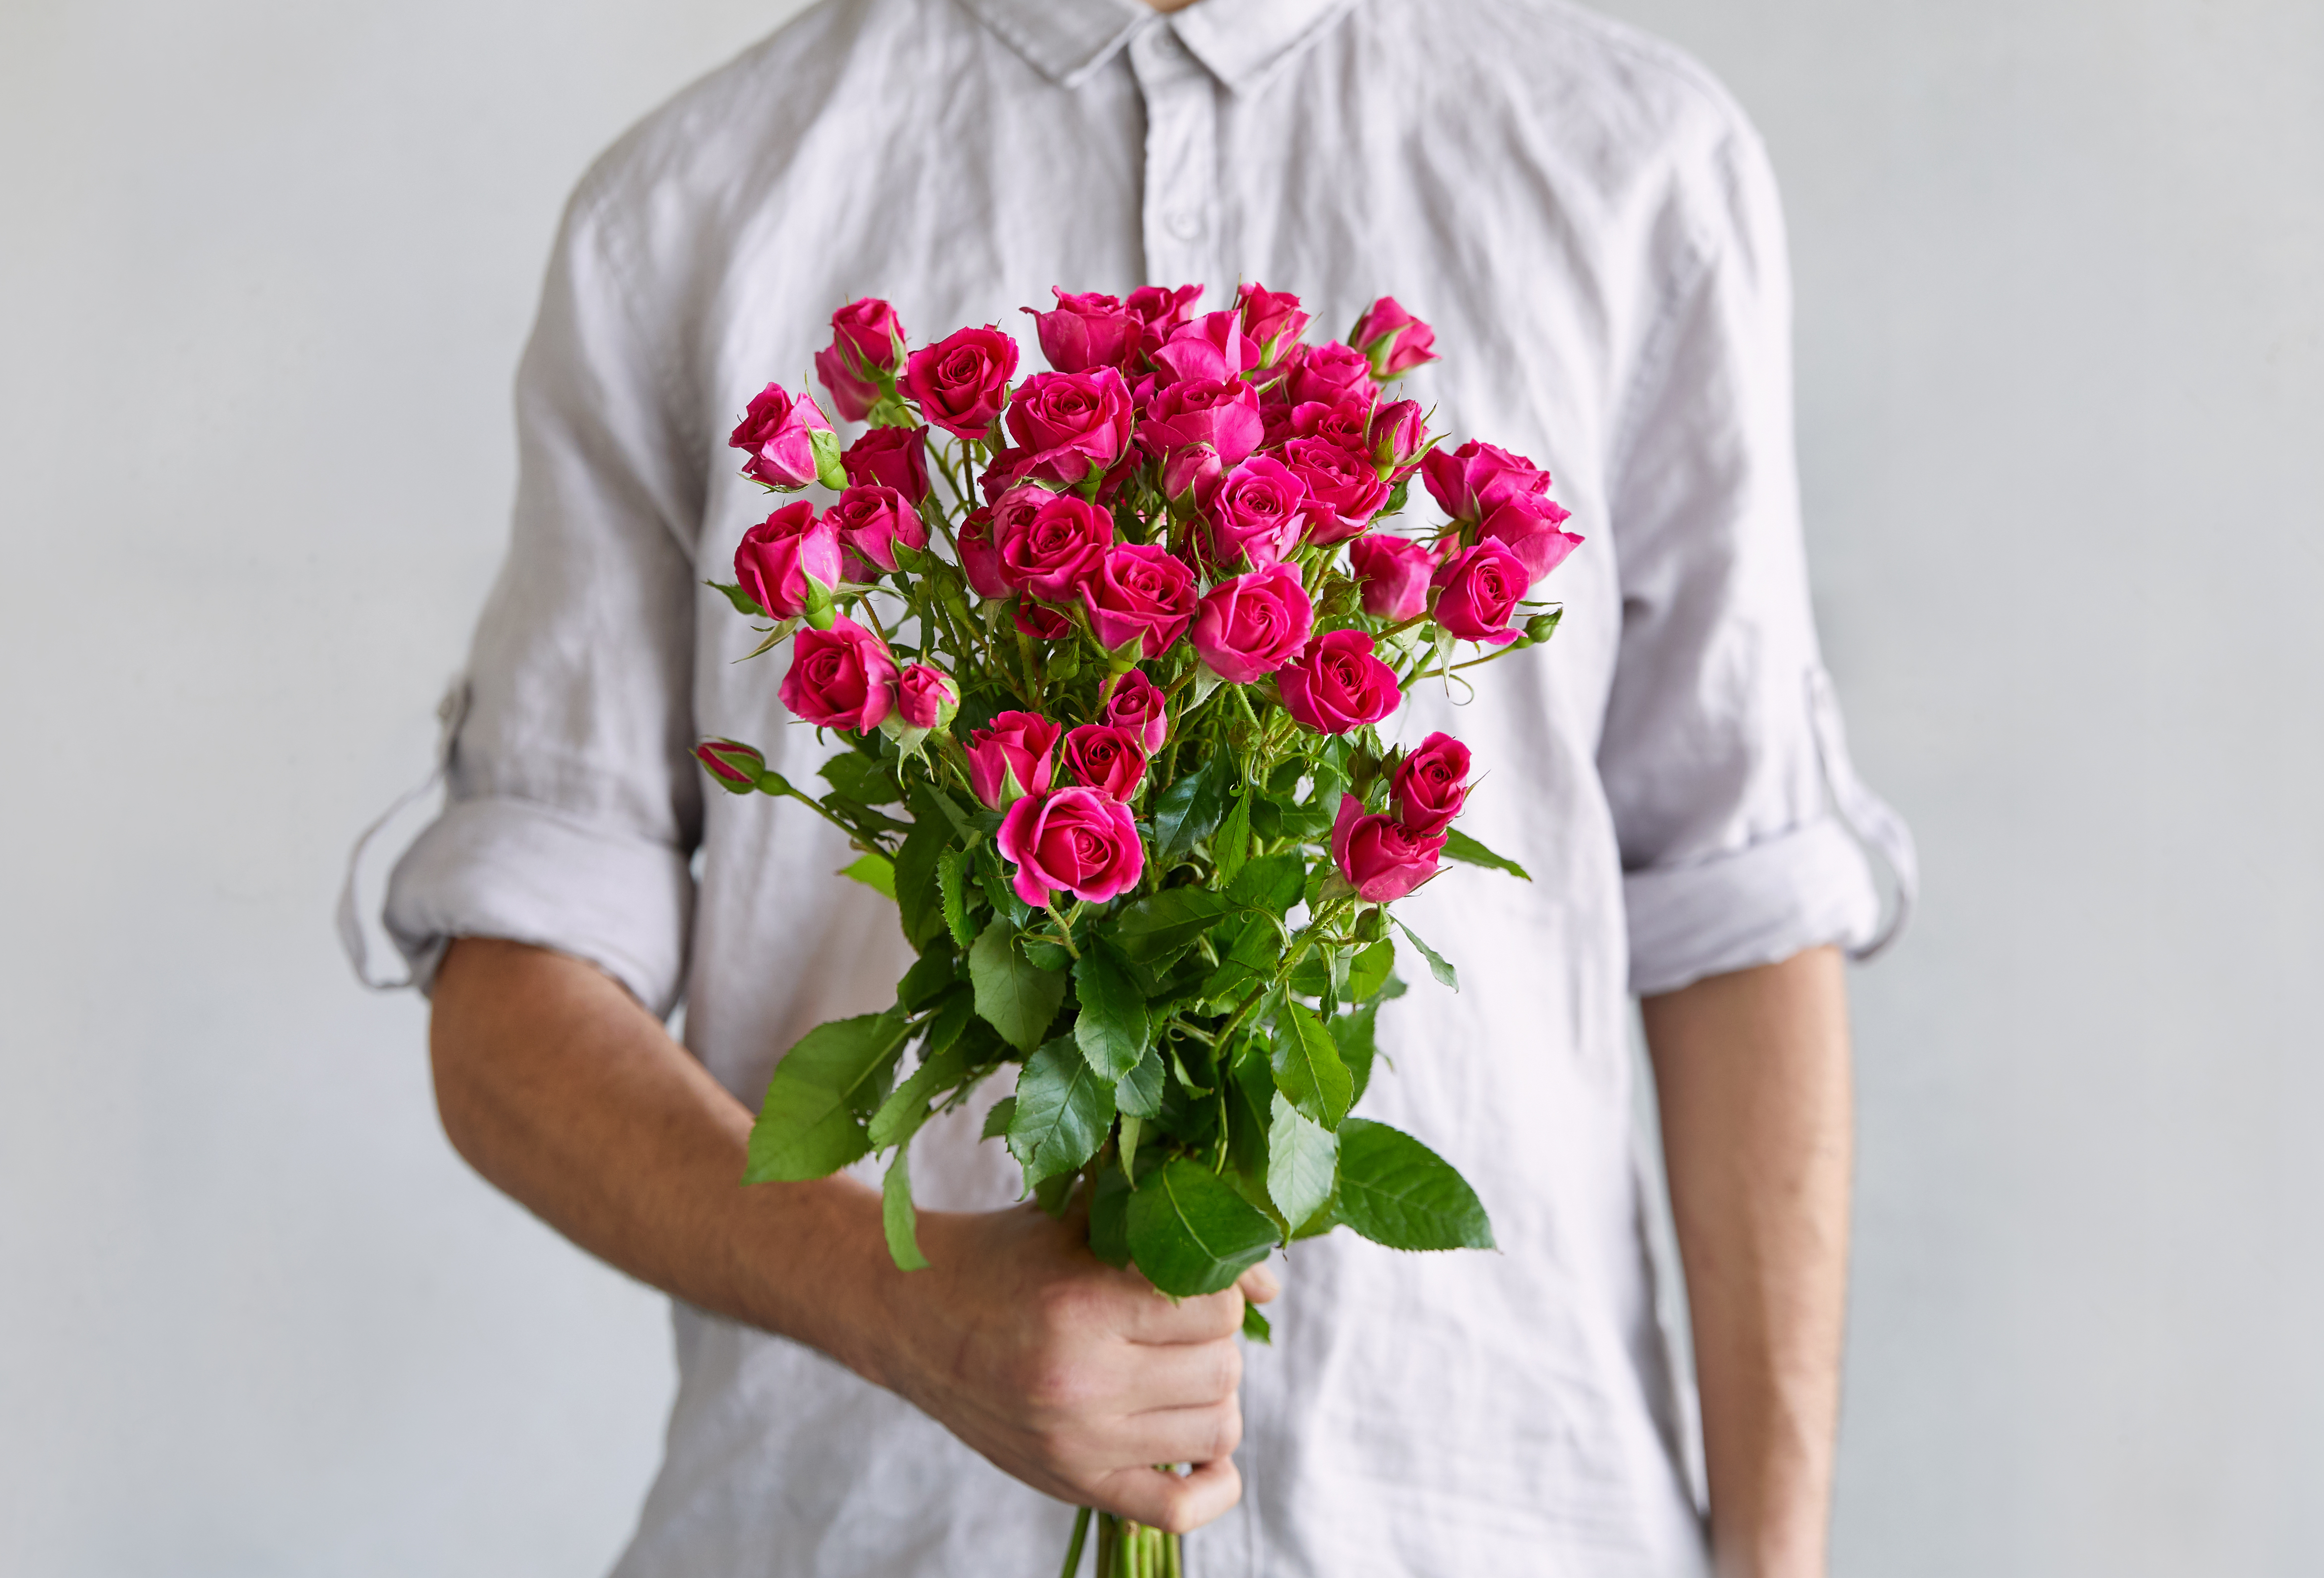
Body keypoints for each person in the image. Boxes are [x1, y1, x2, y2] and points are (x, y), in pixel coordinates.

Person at [342, 0, 1916, 1573]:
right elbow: (513, 988)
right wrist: (904, 1303)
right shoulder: (696, 205)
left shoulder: (1630, 163)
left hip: (1497, 1518)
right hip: (864, 1532)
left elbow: (1738, 915)